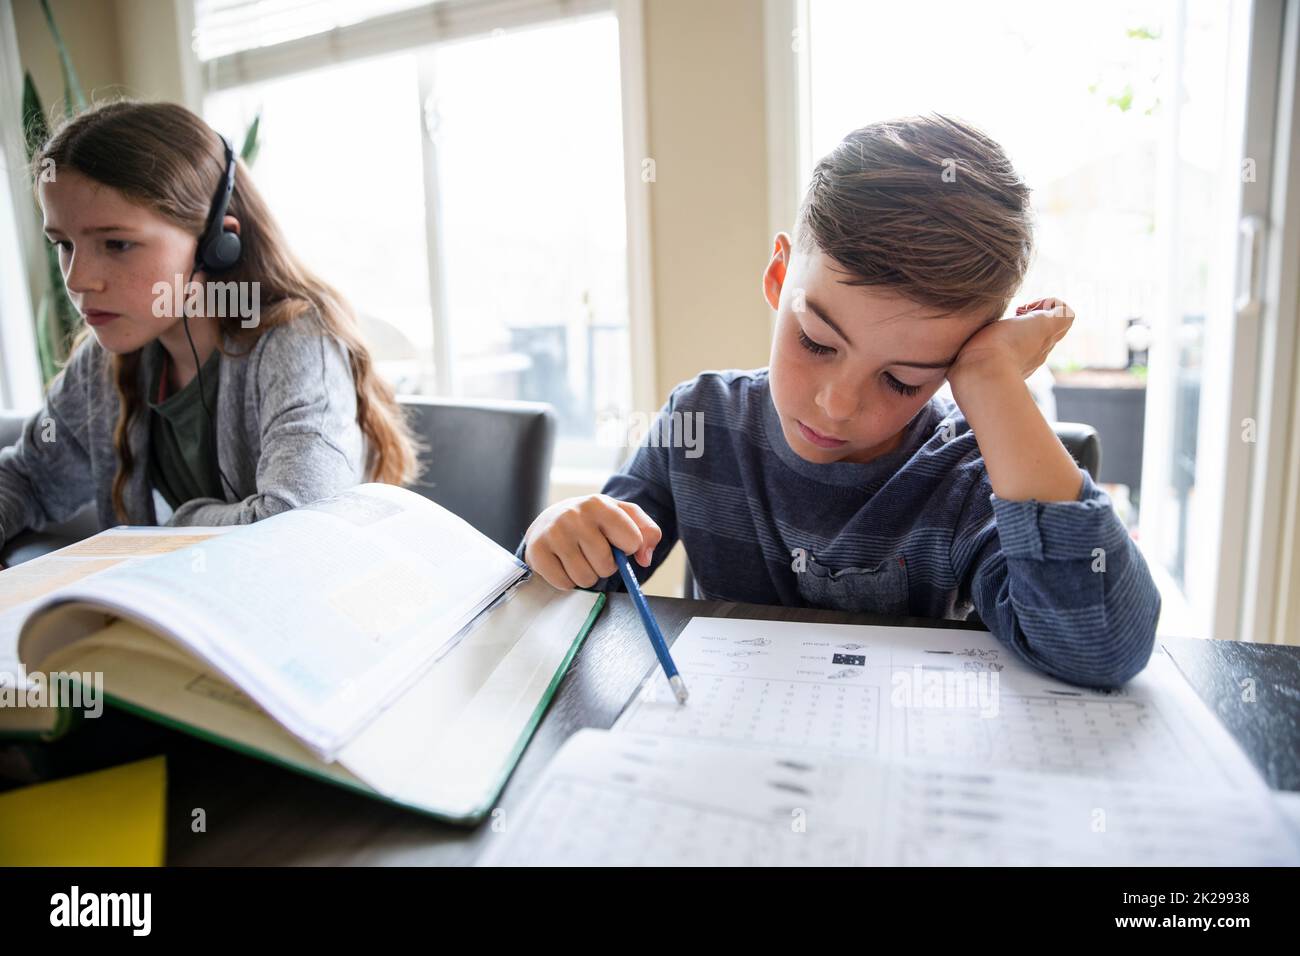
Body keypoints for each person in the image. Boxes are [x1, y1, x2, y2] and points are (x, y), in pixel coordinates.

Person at [520, 113, 1160, 689]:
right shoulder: (698, 420)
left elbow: (1098, 648)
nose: (835, 404)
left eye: (902, 380)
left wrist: (994, 380)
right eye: (817, 341)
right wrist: (560, 537)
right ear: (779, 278)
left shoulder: (966, 480)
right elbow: (586, 573)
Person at [0, 100, 420, 562]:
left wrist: (178, 525)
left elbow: (302, 530)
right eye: (63, 245)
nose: (77, 280)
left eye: (116, 244)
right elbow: (27, 477)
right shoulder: (102, 365)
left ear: (217, 243)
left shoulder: (299, 347)